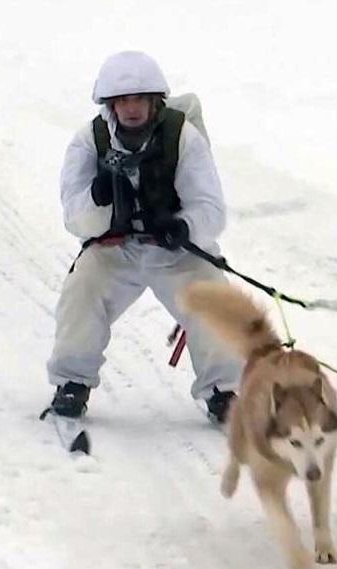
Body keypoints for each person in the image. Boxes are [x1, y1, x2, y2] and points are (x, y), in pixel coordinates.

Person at [45, 51, 240, 423]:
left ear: (155, 102)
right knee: (81, 291)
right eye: (123, 100)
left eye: (139, 99)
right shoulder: (90, 141)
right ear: (110, 105)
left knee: (216, 299)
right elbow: (74, 217)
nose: (131, 109)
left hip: (173, 251)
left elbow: (210, 208)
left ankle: (224, 392)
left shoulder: (183, 136)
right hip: (114, 250)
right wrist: (99, 200)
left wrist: (183, 228)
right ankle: (72, 382)